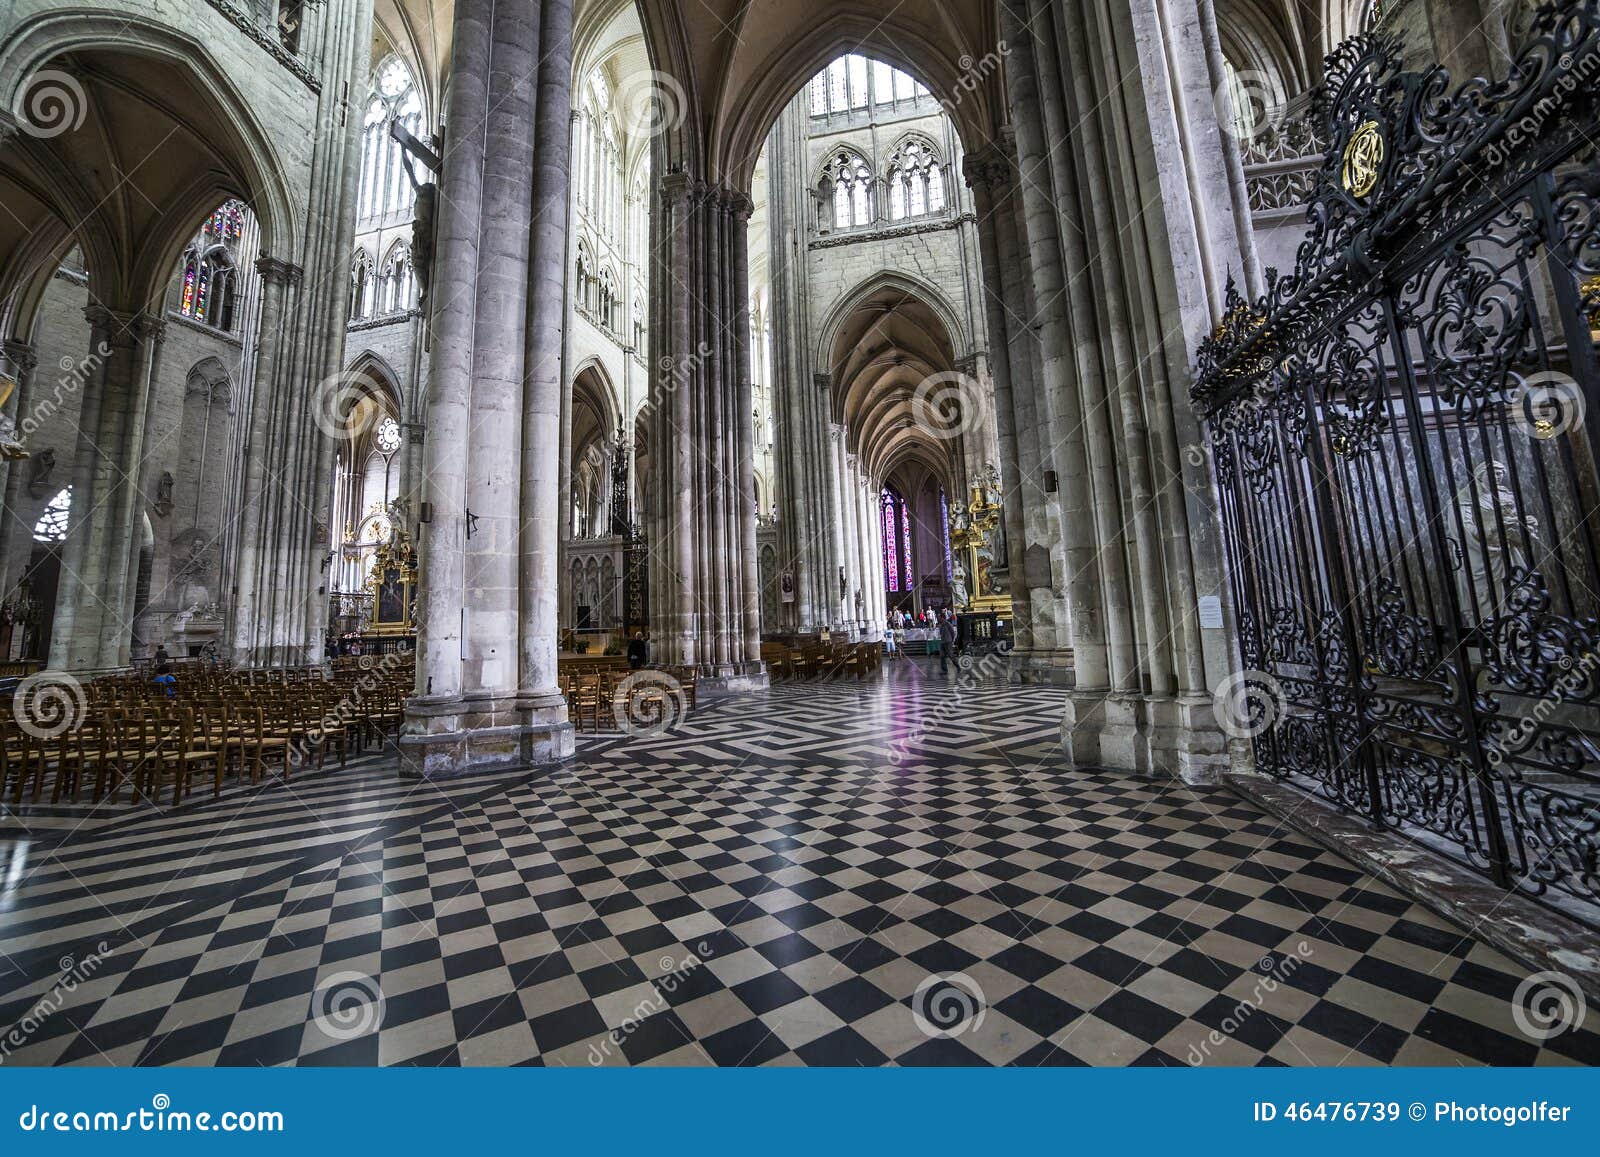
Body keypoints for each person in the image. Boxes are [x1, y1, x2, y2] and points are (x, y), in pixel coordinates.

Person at [938, 608, 958, 675]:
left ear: (942, 618)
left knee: (951, 656)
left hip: (948, 642)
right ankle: (944, 670)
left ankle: (957, 666)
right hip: (942, 642)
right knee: (942, 656)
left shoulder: (948, 624)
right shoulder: (940, 625)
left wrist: (951, 640)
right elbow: (940, 633)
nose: (938, 618)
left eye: (939, 617)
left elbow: (952, 632)